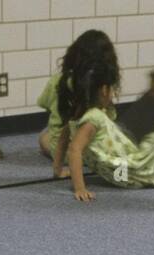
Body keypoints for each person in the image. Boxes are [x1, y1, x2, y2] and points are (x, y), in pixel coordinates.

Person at [58, 65, 154, 200]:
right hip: (128, 171)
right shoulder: (94, 118)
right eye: (112, 90)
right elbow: (74, 149)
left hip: (121, 171)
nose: (113, 94)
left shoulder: (75, 119)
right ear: (104, 90)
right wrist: (79, 188)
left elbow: (63, 140)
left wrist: (57, 169)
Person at [37, 30, 121, 163]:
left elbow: (44, 104)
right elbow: (111, 118)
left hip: (66, 153)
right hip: (98, 151)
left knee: (44, 136)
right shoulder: (105, 87)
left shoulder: (58, 81)